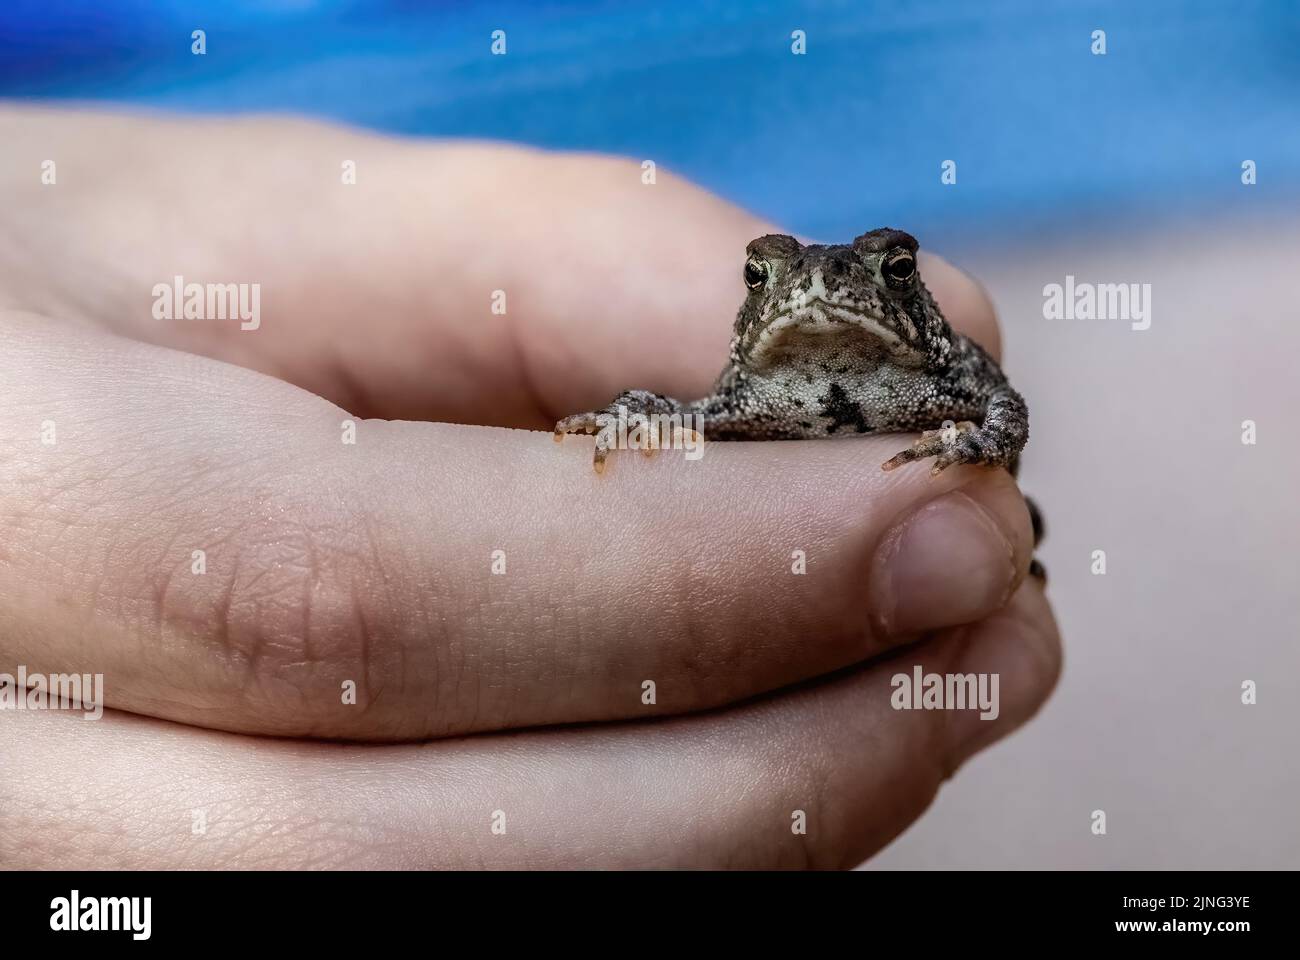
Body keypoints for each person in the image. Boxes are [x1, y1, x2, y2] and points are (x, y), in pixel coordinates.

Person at [0, 107, 1060, 869]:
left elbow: (1002, 405)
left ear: (905, 291)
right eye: (765, 278)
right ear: (753, 302)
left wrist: (975, 449)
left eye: (882, 273)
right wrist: (631, 421)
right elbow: (677, 409)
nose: (819, 290)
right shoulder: (750, 391)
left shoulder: (938, 372)